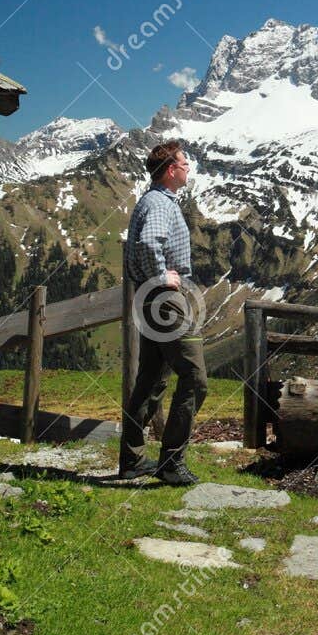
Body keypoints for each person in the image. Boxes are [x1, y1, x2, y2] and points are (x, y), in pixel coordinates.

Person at [116, 140, 207, 485]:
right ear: (171, 170)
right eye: (184, 163)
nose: (188, 168)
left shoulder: (151, 200)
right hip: (165, 299)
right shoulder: (160, 203)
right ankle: (171, 462)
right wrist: (161, 277)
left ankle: (132, 460)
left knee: (151, 380)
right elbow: (149, 241)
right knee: (195, 378)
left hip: (148, 299)